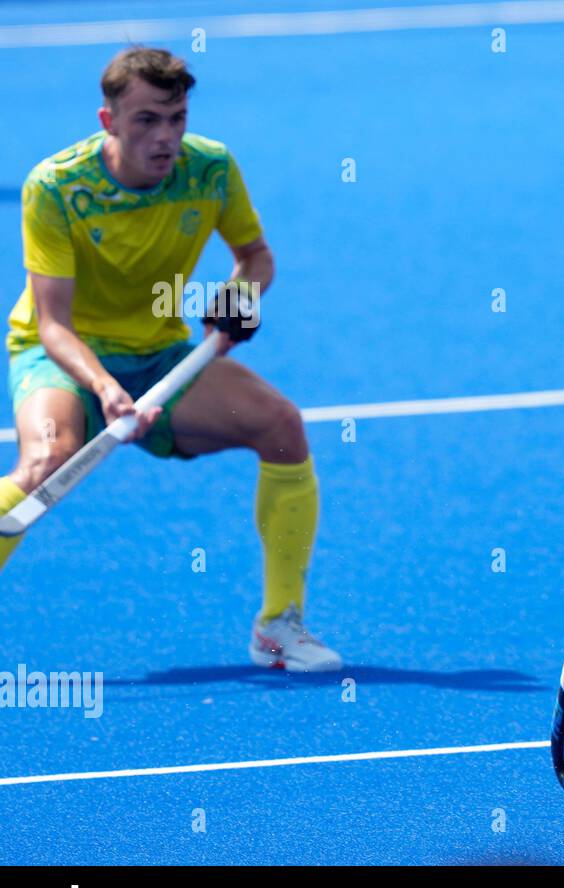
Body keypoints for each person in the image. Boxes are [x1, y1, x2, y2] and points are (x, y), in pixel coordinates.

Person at [0, 46, 341, 672]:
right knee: (45, 461)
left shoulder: (209, 170)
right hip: (64, 357)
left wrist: (240, 296)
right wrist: (104, 390)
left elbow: (256, 256)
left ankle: (279, 626)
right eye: (147, 121)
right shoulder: (57, 187)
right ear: (108, 121)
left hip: (160, 358)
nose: (166, 138)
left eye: (176, 118)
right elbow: (52, 323)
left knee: (281, 426)